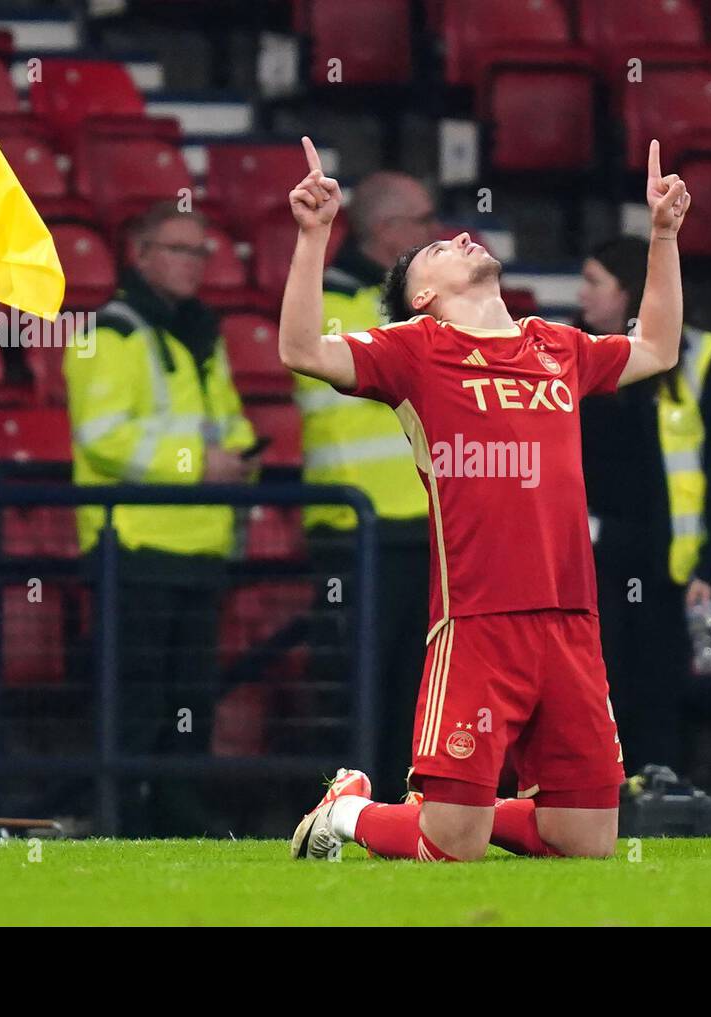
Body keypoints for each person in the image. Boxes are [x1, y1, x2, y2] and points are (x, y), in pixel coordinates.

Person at [280, 135, 691, 861]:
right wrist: (314, 235)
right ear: (423, 298)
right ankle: (347, 810)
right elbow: (304, 351)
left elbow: (656, 348)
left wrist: (662, 237)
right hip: (477, 622)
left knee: (586, 842)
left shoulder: (555, 344)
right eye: (440, 248)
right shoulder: (415, 350)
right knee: (450, 850)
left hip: (572, 620)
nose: (462, 236)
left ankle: (457, 810)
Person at [64, 201, 258, 836]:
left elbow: (229, 424)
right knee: (137, 693)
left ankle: (174, 807)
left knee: (189, 697)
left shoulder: (199, 331)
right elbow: (103, 437)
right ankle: (116, 812)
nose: (194, 263)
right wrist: (199, 463)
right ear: (139, 256)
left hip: (199, 543)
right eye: (177, 249)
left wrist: (239, 457)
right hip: (137, 543)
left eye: (201, 251)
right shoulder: (111, 332)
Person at [578, 237, 711, 777]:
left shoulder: (699, 357)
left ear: (627, 291)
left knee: (659, 702)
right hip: (591, 563)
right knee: (598, 700)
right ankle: (597, 812)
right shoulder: (570, 354)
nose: (582, 296)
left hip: (668, 568)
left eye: (593, 283)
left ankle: (658, 816)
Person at [295, 171, 436, 804]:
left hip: (421, 524)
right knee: (358, 683)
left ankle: (407, 804)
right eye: (423, 221)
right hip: (357, 529)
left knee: (416, 680)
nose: (435, 233)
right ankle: (345, 806)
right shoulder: (328, 296)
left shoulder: (413, 304)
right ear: (386, 232)